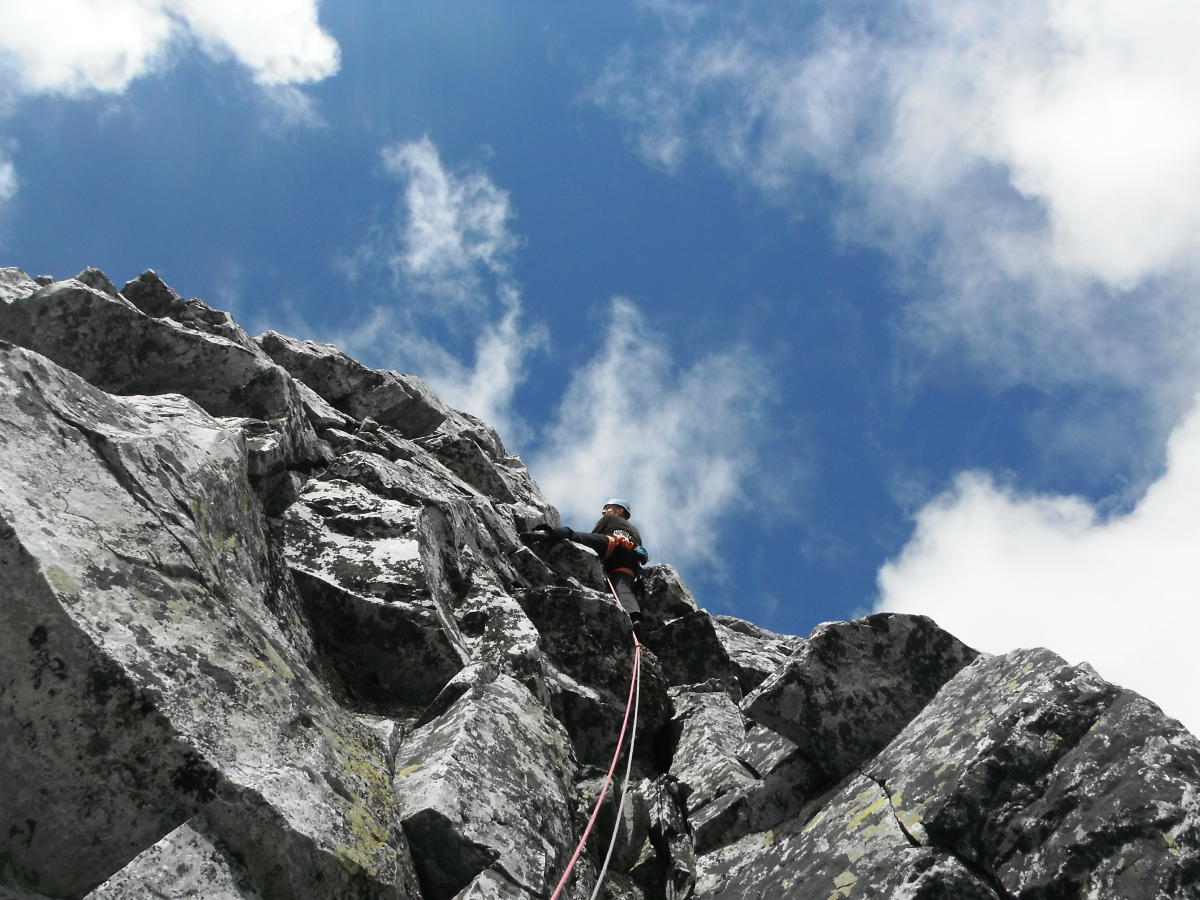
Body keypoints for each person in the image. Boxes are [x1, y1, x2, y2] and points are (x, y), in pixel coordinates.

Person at [533, 498, 649, 623]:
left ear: (619, 510)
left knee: (574, 536)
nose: (604, 512)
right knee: (622, 587)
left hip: (611, 544)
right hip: (630, 560)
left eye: (607, 508)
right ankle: (634, 616)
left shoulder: (610, 519)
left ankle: (549, 533)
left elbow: (594, 537)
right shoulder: (635, 532)